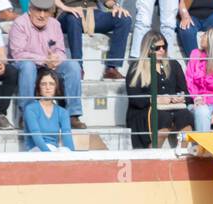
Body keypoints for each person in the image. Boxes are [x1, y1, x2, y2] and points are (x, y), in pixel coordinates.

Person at [9, 0, 85, 130]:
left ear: (51, 12)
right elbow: (18, 54)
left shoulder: (55, 24)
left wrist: (56, 59)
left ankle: (73, 115)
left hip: (48, 65)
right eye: (38, 10)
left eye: (46, 11)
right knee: (28, 66)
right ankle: (27, 114)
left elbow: (61, 51)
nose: (42, 15)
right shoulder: (19, 24)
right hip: (26, 66)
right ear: (30, 10)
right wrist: (44, 59)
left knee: (73, 66)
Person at [125, 30, 194, 147]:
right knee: (163, 118)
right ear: (148, 49)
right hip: (145, 109)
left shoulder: (173, 65)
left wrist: (180, 97)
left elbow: (185, 92)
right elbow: (135, 99)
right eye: (157, 48)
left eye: (164, 47)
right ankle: (153, 153)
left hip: (172, 107)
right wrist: (156, 100)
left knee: (186, 116)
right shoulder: (136, 68)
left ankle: (182, 152)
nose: (162, 50)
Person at [56, 0, 133, 80]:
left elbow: (107, 1)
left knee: (124, 18)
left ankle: (111, 68)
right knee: (73, 18)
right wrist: (65, 7)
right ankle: (77, 69)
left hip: (93, 14)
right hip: (68, 13)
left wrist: (115, 6)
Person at [23, 70, 76, 150]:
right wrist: (48, 154)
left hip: (54, 150)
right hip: (36, 150)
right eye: (44, 84)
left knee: (65, 150)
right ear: (39, 87)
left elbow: (67, 136)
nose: (48, 88)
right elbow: (36, 136)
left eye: (51, 84)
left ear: (56, 87)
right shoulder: (31, 109)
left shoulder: (63, 112)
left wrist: (72, 154)